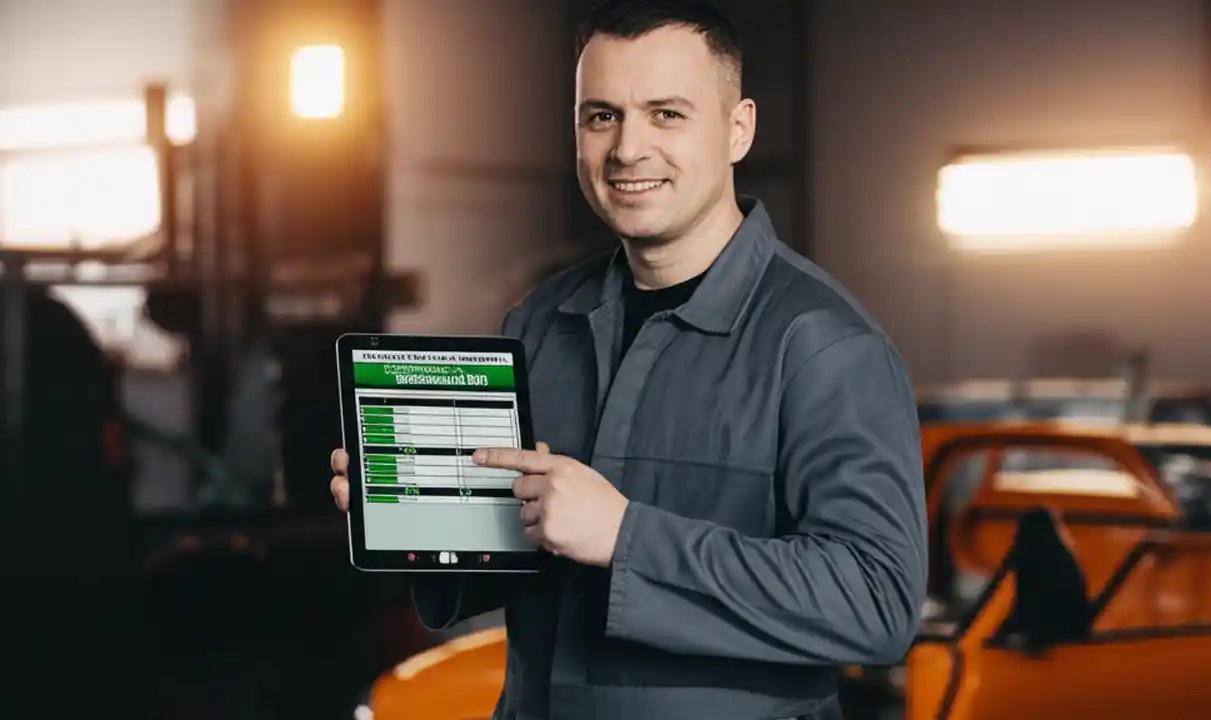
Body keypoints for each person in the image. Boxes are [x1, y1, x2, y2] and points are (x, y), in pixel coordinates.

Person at [330, 1, 927, 717]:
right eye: (601, 116)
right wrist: (415, 509)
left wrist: (625, 536)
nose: (627, 149)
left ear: (738, 129)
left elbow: (877, 600)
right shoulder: (542, 322)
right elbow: (522, 555)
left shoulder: (823, 346)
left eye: (666, 114)